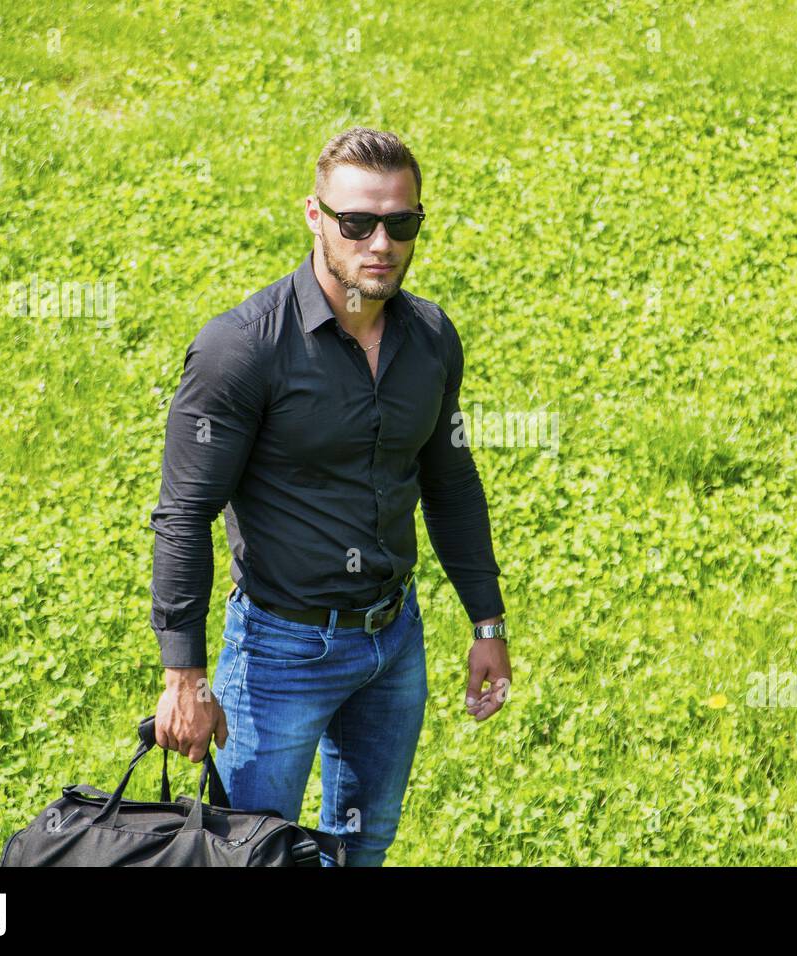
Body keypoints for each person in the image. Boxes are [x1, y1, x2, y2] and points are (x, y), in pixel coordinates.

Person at [148, 127, 511, 865]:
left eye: (400, 223)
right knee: (247, 855)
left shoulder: (432, 338)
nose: (380, 242)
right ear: (315, 216)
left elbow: (451, 483)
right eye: (357, 223)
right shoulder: (241, 349)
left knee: (362, 847)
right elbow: (184, 512)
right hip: (279, 651)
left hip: (393, 641)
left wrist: (486, 623)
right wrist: (183, 675)